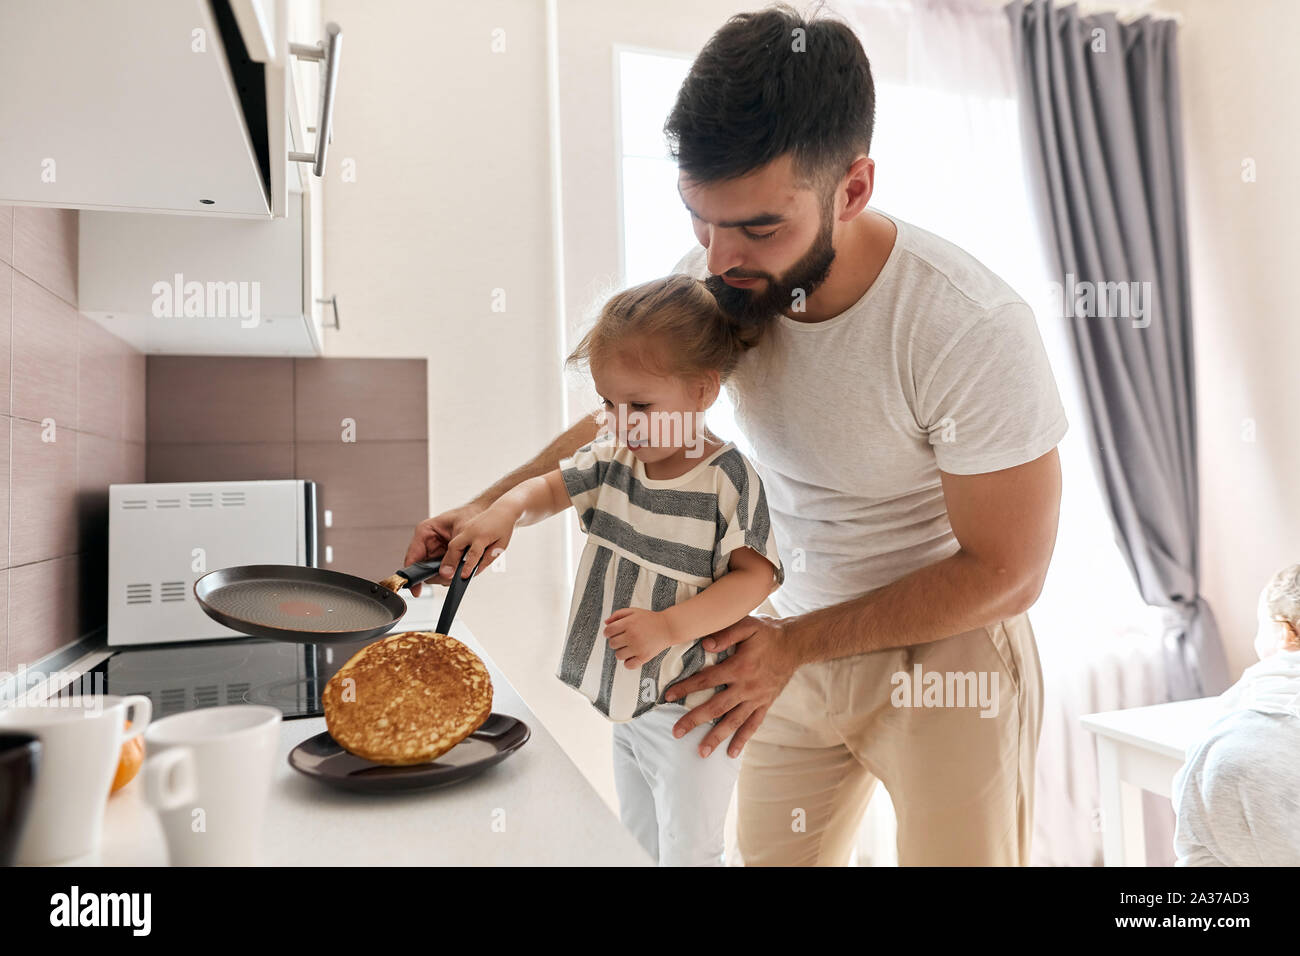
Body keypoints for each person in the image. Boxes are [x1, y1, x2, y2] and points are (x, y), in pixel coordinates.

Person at [407, 4, 1066, 865]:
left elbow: (1009, 572)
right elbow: (635, 419)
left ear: (853, 189)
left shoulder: (966, 325)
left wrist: (792, 644)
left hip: (946, 652)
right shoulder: (718, 277)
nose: (719, 259)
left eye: (760, 227)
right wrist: (489, 507)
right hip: (780, 634)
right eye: (699, 217)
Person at [434, 274, 784, 866]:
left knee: (691, 850)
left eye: (640, 406)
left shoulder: (728, 480)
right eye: (607, 403)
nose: (621, 422)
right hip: (628, 696)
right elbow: (549, 488)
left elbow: (755, 578)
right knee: (639, 838)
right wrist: (506, 510)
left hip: (694, 706)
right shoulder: (617, 456)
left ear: (702, 391)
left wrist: (671, 627)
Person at [1171, 564, 1300, 866]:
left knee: (1206, 852)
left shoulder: (1257, 681)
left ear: (1285, 632)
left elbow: (1209, 733)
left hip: (1228, 764)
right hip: (1274, 772)